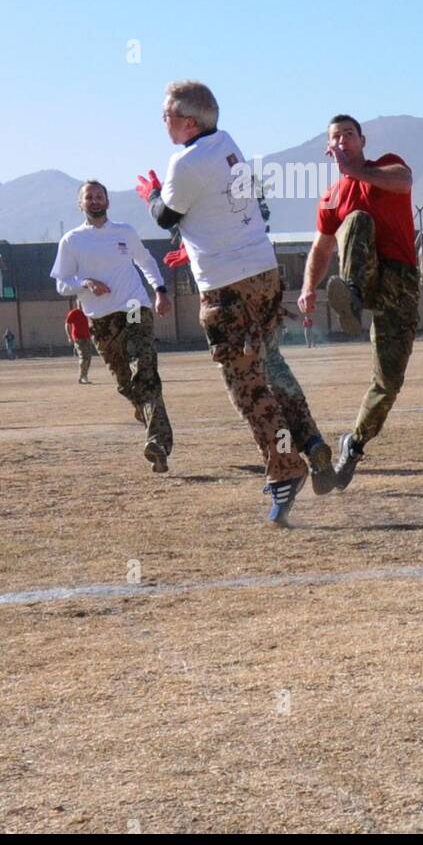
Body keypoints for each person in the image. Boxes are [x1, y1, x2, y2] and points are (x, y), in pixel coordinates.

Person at [138, 79, 334, 525]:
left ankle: (286, 469)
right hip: (262, 270)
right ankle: (310, 440)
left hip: (226, 285)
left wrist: (150, 192)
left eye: (167, 115)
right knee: (270, 363)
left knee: (245, 384)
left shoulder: (184, 162)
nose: (163, 122)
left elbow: (166, 214)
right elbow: (219, 209)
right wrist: (198, 241)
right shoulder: (227, 143)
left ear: (188, 122)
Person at [298, 114, 418, 490]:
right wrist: (308, 289)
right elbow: (321, 247)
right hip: (365, 276)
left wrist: (358, 172)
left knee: (390, 381)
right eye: (336, 137)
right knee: (357, 221)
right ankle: (349, 296)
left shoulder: (385, 167)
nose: (343, 141)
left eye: (349, 135)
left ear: (362, 140)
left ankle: (354, 443)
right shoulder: (332, 197)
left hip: (400, 282)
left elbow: (404, 180)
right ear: (328, 148)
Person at [52, 181, 174, 472]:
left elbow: (145, 261)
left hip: (134, 308)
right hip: (100, 318)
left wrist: (159, 290)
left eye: (99, 196)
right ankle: (143, 409)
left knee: (144, 369)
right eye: (88, 197)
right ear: (80, 204)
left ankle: (158, 442)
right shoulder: (71, 240)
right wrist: (86, 283)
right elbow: (61, 283)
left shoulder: (124, 232)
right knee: (124, 382)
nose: (94, 201)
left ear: (107, 201)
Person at [65, 303, 93, 383]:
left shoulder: (88, 312)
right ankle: (82, 377)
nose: (82, 305)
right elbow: (67, 324)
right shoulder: (74, 312)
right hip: (78, 338)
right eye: (80, 303)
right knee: (83, 356)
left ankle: (84, 375)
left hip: (87, 337)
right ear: (77, 303)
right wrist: (69, 336)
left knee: (88, 357)